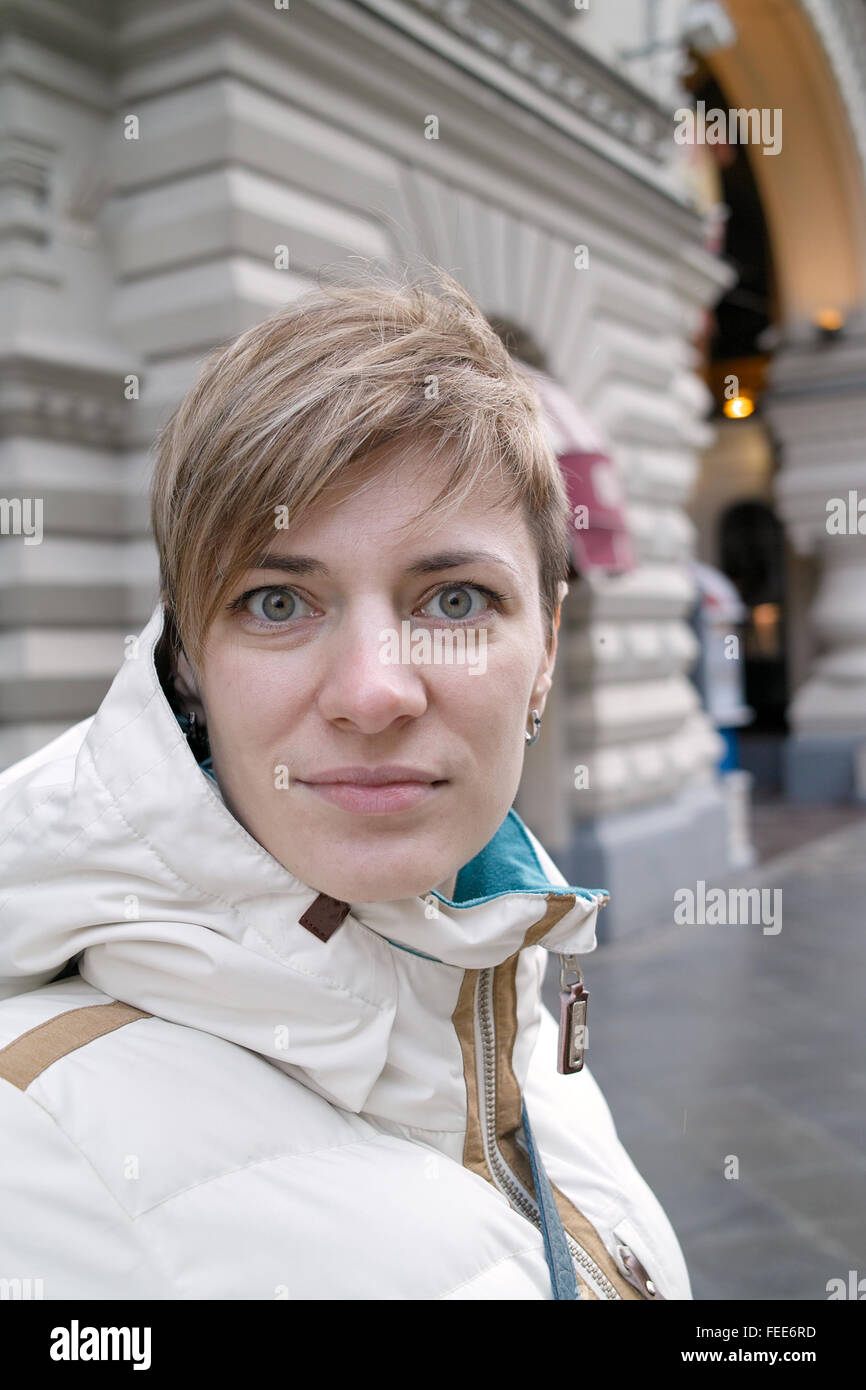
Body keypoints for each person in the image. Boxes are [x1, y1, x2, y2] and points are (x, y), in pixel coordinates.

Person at [0, 268, 692, 1300]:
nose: (373, 692)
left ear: (544, 642)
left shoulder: (504, 989)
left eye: (452, 598)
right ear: (187, 657)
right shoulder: (35, 1152)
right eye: (277, 602)